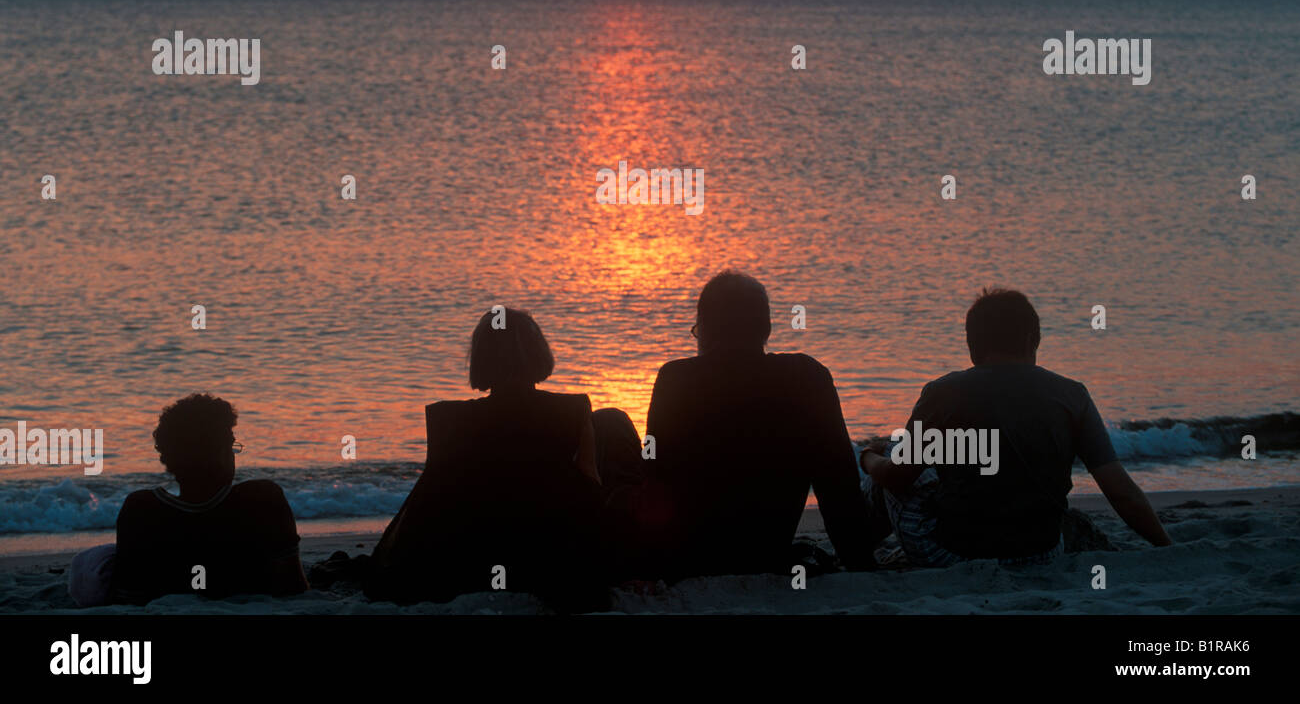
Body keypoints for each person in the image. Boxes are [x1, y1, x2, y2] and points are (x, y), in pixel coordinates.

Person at [860, 287, 1172, 567]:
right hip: (1042, 552)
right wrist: (1165, 546)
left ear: (972, 346)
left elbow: (897, 477)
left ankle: (856, 556)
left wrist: (868, 458)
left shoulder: (943, 392)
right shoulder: (1071, 395)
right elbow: (1120, 491)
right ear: (1031, 339)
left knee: (889, 457)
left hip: (955, 554)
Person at [364, 307, 643, 608]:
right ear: (538, 354)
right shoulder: (571, 409)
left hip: (476, 552)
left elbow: (433, 496)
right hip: (543, 553)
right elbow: (589, 487)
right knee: (614, 428)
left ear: (481, 360)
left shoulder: (448, 417)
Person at [641, 271, 874, 579]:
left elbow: (655, 472)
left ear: (706, 329)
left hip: (691, 556)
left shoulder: (676, 379)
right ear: (766, 328)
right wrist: (859, 562)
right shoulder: (807, 377)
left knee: (612, 428)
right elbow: (838, 482)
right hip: (764, 550)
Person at [71, 393, 308, 606]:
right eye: (231, 445)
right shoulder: (262, 500)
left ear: (167, 456)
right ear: (221, 453)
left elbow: (130, 596)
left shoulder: (140, 510)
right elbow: (294, 587)